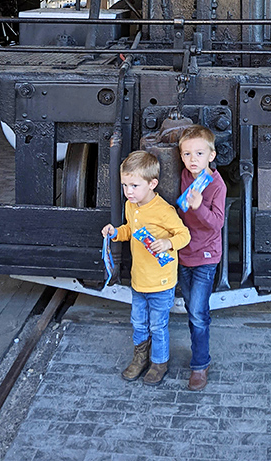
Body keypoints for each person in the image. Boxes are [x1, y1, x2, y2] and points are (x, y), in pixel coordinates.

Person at [101, 150, 191, 385]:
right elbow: (130, 230)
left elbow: (184, 234)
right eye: (125, 185)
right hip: (138, 280)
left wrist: (169, 243)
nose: (128, 192)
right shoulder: (133, 205)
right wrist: (115, 233)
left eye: (134, 185)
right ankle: (140, 358)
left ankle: (159, 363)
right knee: (139, 323)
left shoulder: (164, 211)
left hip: (161, 283)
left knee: (158, 326)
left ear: (153, 184)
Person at [176, 125, 227, 391]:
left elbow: (217, 223)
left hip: (206, 256)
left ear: (212, 155)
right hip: (184, 253)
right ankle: (200, 342)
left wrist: (198, 208)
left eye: (199, 153)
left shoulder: (216, 185)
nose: (192, 159)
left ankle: (200, 365)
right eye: (186, 154)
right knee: (191, 308)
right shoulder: (184, 175)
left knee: (197, 312)